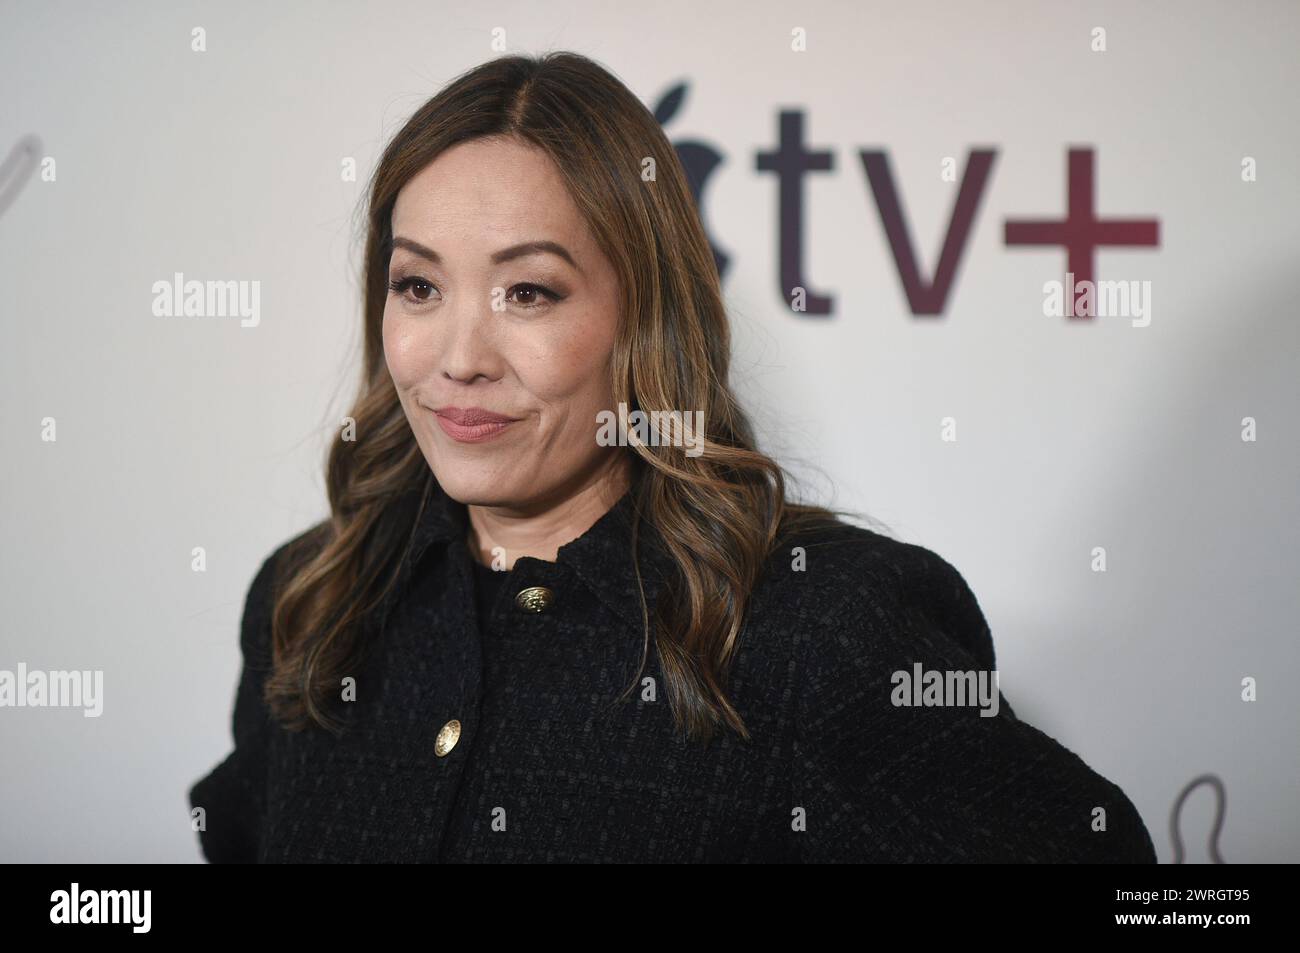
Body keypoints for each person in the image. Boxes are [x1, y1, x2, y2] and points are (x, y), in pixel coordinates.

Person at [188, 51, 1155, 863]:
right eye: (418, 286)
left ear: (644, 321)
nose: (458, 359)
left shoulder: (814, 632)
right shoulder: (311, 603)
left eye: (529, 292)